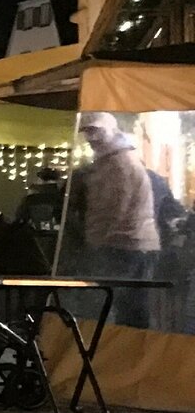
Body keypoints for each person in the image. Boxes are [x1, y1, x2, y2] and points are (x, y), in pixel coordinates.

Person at [69, 114, 161, 325]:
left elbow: (111, 211)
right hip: (129, 244)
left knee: (121, 308)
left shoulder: (117, 164)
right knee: (128, 307)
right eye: (88, 132)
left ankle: (127, 351)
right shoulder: (114, 161)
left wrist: (92, 244)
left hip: (123, 245)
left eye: (96, 131)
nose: (91, 138)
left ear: (111, 130)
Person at [14, 165, 66, 238]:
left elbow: (20, 217)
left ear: (41, 180)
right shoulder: (62, 199)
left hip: (35, 238)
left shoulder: (31, 199)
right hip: (58, 237)